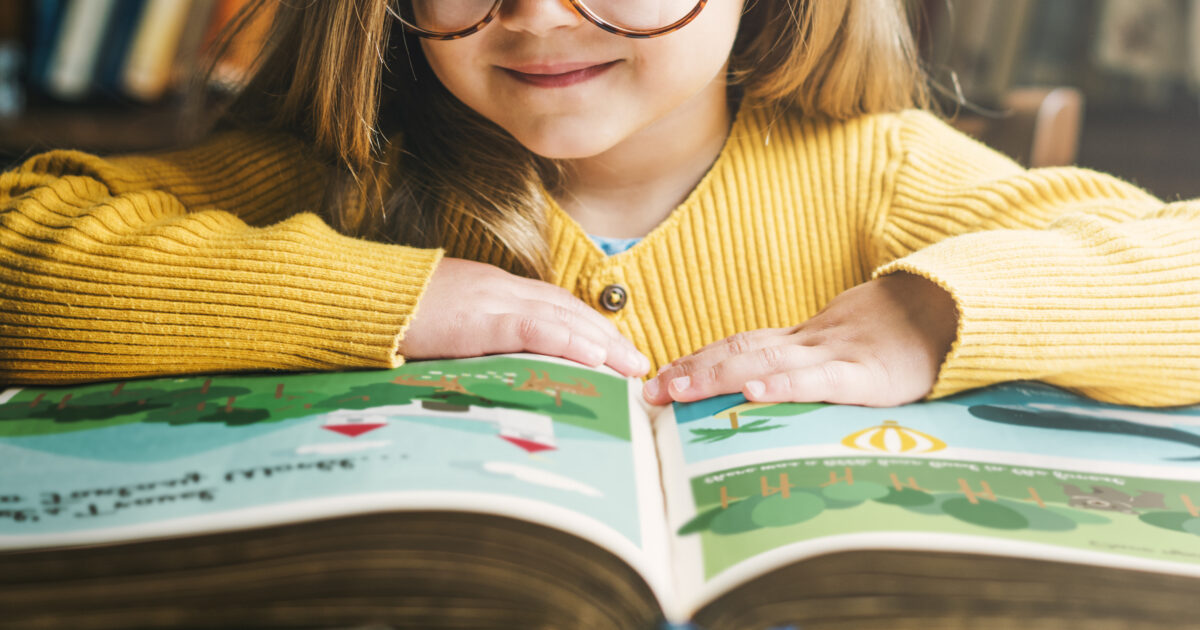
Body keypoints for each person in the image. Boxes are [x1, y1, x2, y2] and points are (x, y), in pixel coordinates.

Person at [2, 0, 1197, 410]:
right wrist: (403, 293)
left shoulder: (873, 168)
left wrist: (924, 319)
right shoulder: (354, 164)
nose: (531, 17)